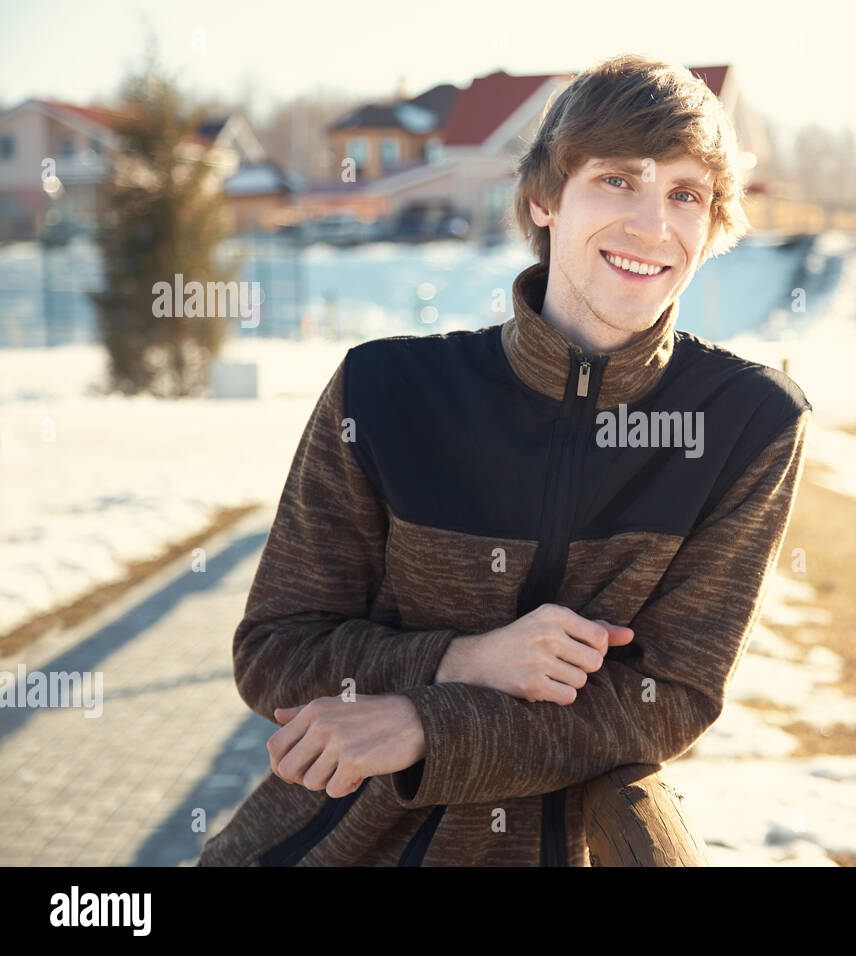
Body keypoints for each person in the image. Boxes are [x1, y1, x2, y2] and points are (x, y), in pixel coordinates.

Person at [197, 52, 811, 867]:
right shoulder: (386, 389)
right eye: (618, 181)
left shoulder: (748, 423)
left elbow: (669, 701)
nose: (651, 227)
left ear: (713, 225)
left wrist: (426, 719)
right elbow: (276, 651)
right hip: (324, 844)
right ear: (544, 199)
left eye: (685, 195)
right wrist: (464, 659)